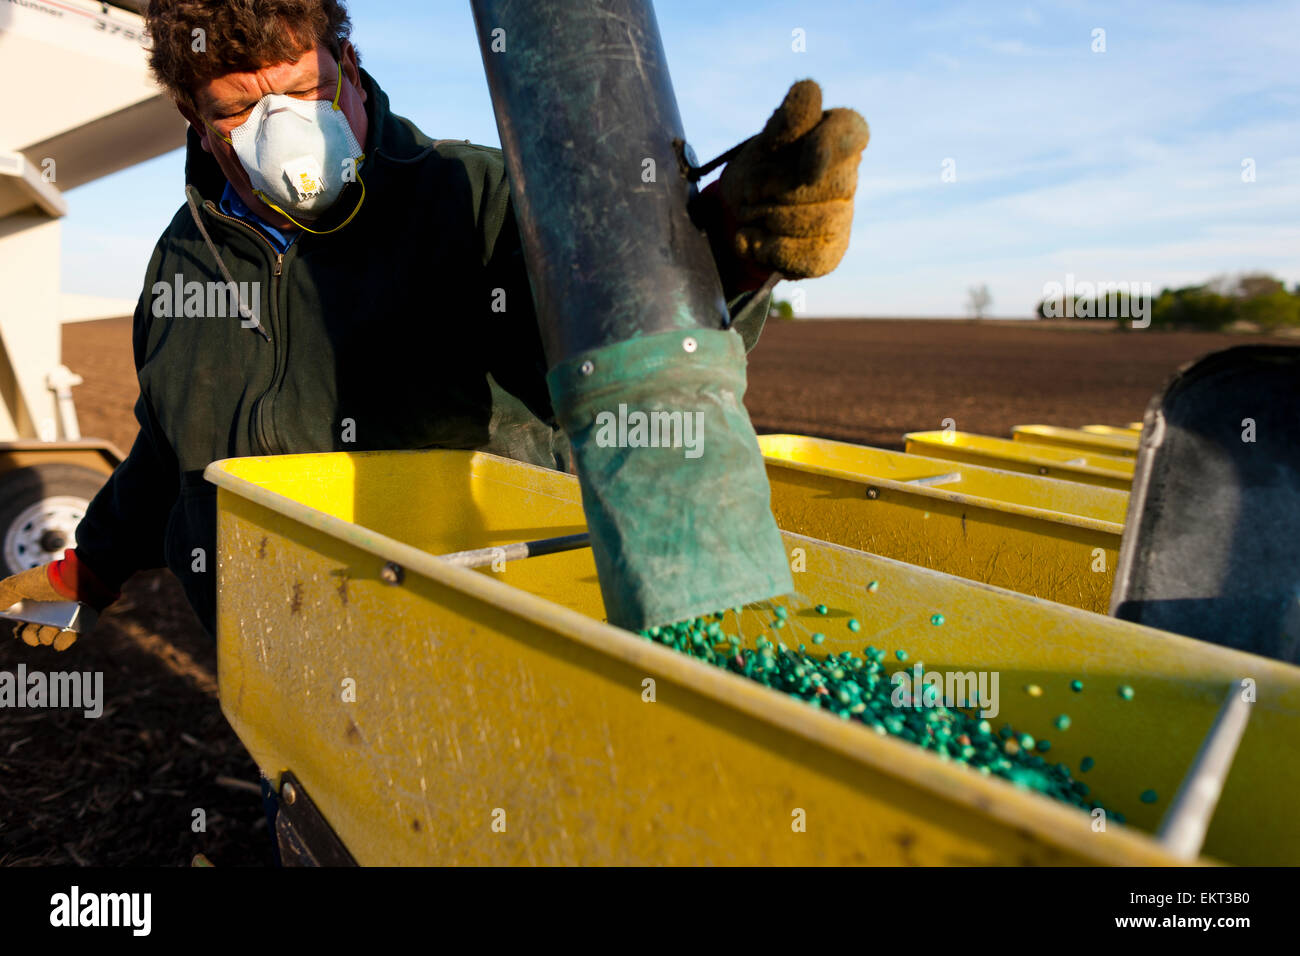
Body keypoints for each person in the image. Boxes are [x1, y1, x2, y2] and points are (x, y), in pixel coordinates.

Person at [0, 0, 869, 647]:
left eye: (302, 91)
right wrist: (93, 566)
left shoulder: (484, 200)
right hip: (277, 667)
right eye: (234, 111)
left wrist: (733, 257)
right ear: (191, 115)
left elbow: (624, 328)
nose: (282, 134)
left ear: (345, 60)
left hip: (478, 645)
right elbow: (169, 443)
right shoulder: (183, 261)